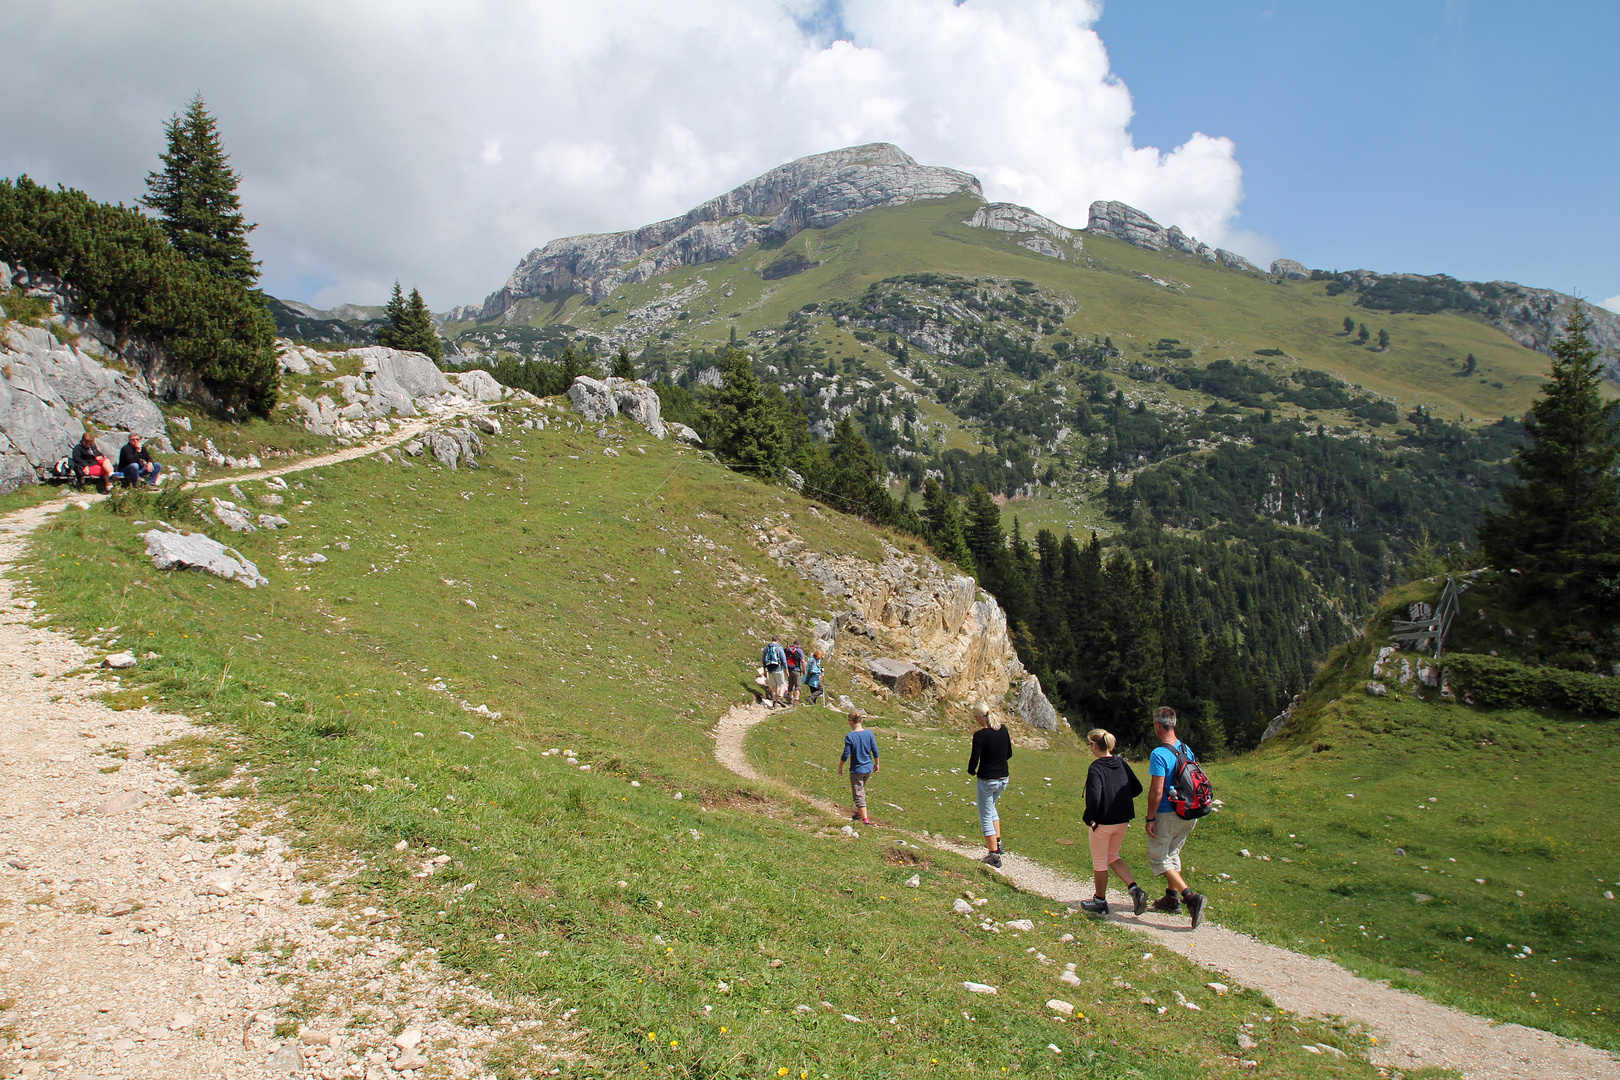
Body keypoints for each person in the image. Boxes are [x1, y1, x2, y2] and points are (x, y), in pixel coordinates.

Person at [1144, 706, 1208, 928]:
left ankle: (1190, 897)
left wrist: (1150, 818)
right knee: (1173, 852)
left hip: (1168, 812)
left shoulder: (1159, 754)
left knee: (1158, 857)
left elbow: (1157, 791)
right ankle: (1171, 899)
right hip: (1190, 812)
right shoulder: (1186, 749)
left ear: (1157, 725)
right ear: (1174, 724)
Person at [1079, 728, 1149, 916]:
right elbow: (1137, 788)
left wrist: (1089, 818)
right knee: (1113, 856)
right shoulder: (1121, 763)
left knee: (1100, 862)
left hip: (1103, 822)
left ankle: (1100, 901)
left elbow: (1094, 798)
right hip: (1122, 820)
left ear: (1094, 746)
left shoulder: (1096, 767)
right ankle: (1135, 889)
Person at [966, 701, 1012, 867]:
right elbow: (1009, 753)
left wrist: (972, 770)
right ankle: (998, 844)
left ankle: (993, 855)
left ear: (978, 717)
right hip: (1003, 778)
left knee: (985, 815)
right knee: (991, 808)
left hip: (987, 780)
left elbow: (974, 759)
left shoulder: (980, 735)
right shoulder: (1003, 729)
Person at [837, 709, 879, 824]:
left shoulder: (850, 737)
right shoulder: (869, 733)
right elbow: (875, 750)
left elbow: (846, 754)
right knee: (861, 789)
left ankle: (865, 820)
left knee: (858, 794)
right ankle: (859, 812)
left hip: (857, 769)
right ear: (861, 720)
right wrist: (877, 763)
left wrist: (840, 766)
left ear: (851, 722)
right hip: (868, 768)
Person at [761, 636, 788, 706]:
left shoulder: (766, 648)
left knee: (774, 686)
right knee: (782, 684)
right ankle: (780, 697)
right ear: (778, 641)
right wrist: (786, 669)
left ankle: (774, 702)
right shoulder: (779, 648)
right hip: (778, 668)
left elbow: (763, 659)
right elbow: (784, 660)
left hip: (770, 670)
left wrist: (764, 670)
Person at [785, 639, 806, 704]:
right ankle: (796, 700)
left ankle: (790, 699)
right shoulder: (799, 650)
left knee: (790, 684)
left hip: (789, 669)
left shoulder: (788, 649)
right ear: (799, 644)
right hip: (796, 669)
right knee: (798, 685)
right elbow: (803, 661)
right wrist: (804, 670)